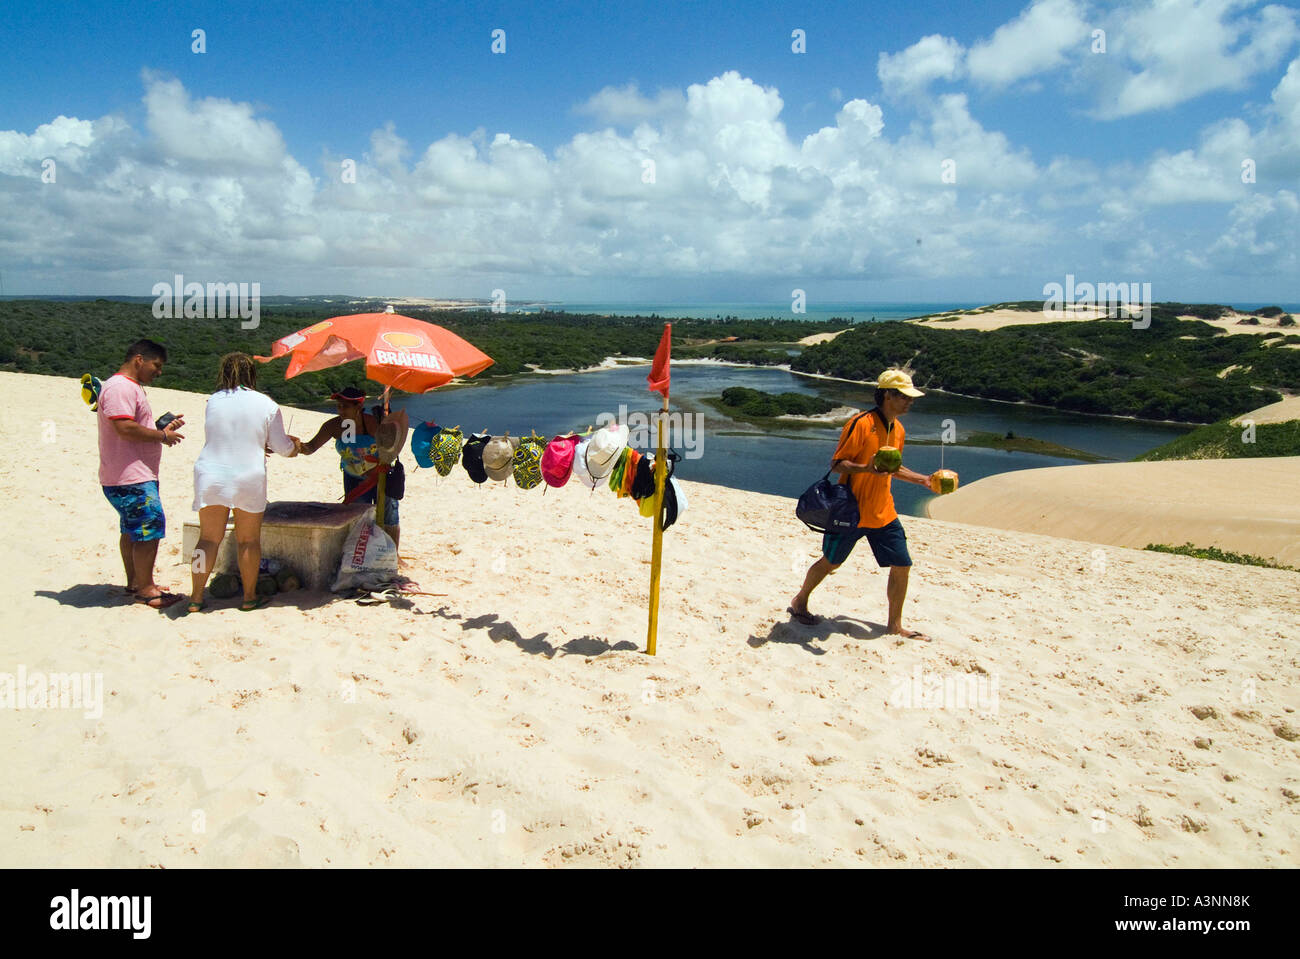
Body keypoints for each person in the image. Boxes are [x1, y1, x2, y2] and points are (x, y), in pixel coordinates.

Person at [788, 369, 939, 640]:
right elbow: (837, 464)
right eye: (904, 396)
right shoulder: (861, 423)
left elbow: (893, 467)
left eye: (910, 397)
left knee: (902, 564)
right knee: (830, 563)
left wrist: (924, 480)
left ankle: (895, 625)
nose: (910, 402)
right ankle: (800, 601)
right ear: (887, 395)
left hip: (883, 511)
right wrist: (866, 468)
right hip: (850, 510)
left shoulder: (898, 429)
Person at [187, 353, 300, 613]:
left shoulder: (213, 401)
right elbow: (282, 448)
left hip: (210, 474)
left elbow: (227, 433)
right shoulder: (267, 404)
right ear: (252, 375)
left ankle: (195, 597)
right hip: (248, 475)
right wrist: (295, 447)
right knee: (248, 541)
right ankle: (249, 597)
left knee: (207, 540)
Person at [98, 339, 186, 609]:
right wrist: (162, 435)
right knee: (149, 528)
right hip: (131, 476)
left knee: (133, 530)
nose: (158, 372)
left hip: (128, 473)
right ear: (139, 359)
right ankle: (147, 589)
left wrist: (160, 428)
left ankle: (137, 581)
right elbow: (124, 428)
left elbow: (133, 426)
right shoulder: (120, 387)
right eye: (156, 365)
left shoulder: (125, 388)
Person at [296, 386, 408, 551]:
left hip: (380, 475)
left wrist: (386, 422)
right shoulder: (332, 426)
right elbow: (311, 447)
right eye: (339, 406)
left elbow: (390, 447)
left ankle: (392, 554)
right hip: (354, 476)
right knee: (358, 517)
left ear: (359, 407)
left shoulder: (371, 423)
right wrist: (294, 446)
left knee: (388, 516)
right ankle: (364, 553)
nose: (341, 411)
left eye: (346, 407)